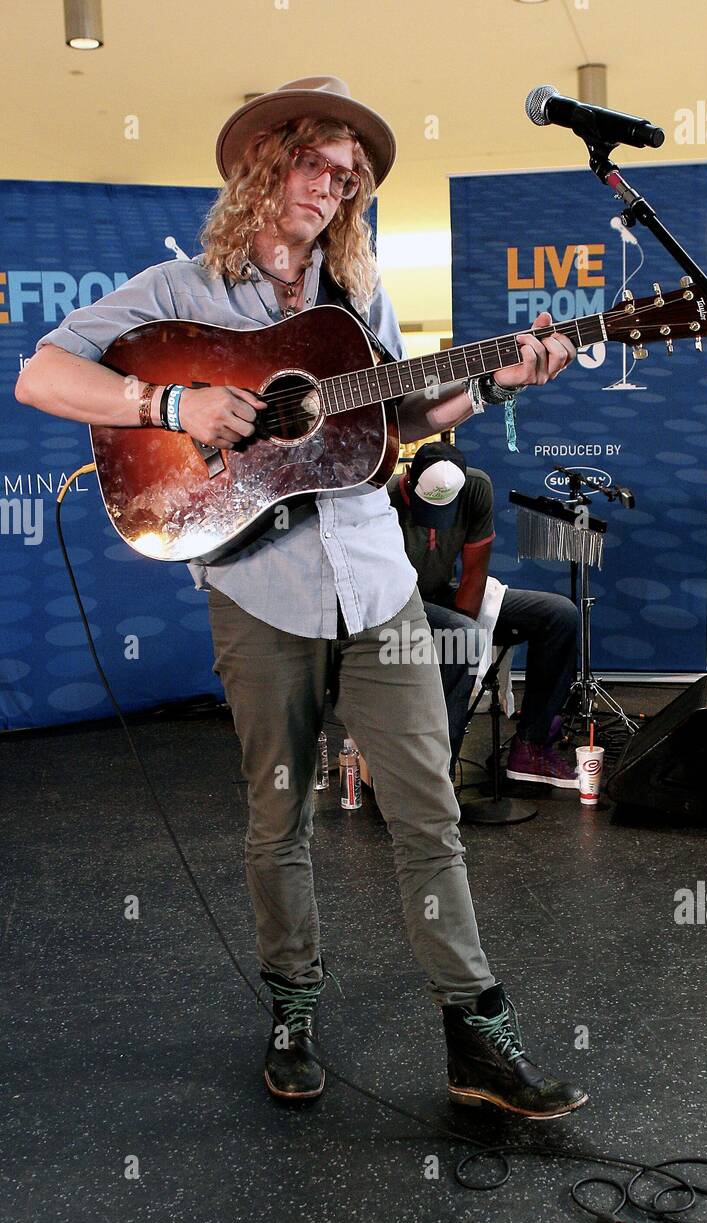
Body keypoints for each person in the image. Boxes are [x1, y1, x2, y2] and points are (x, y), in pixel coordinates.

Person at [15, 76, 586, 1119]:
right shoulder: (180, 290)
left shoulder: (356, 303)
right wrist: (170, 399)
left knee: (430, 812)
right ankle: (291, 1007)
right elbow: (43, 376)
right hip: (259, 591)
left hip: (375, 587)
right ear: (267, 165)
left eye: (351, 175)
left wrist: (505, 376)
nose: (337, 185)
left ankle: (475, 1033)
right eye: (321, 163)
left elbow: (393, 423)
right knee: (277, 817)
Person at [388, 443, 581, 787]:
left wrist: (471, 637)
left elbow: (474, 573)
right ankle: (435, 778)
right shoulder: (383, 500)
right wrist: (463, 637)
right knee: (461, 635)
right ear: (410, 480)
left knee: (558, 615)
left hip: (445, 595)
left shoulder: (476, 488)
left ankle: (529, 747)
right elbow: (382, 589)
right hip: (397, 603)